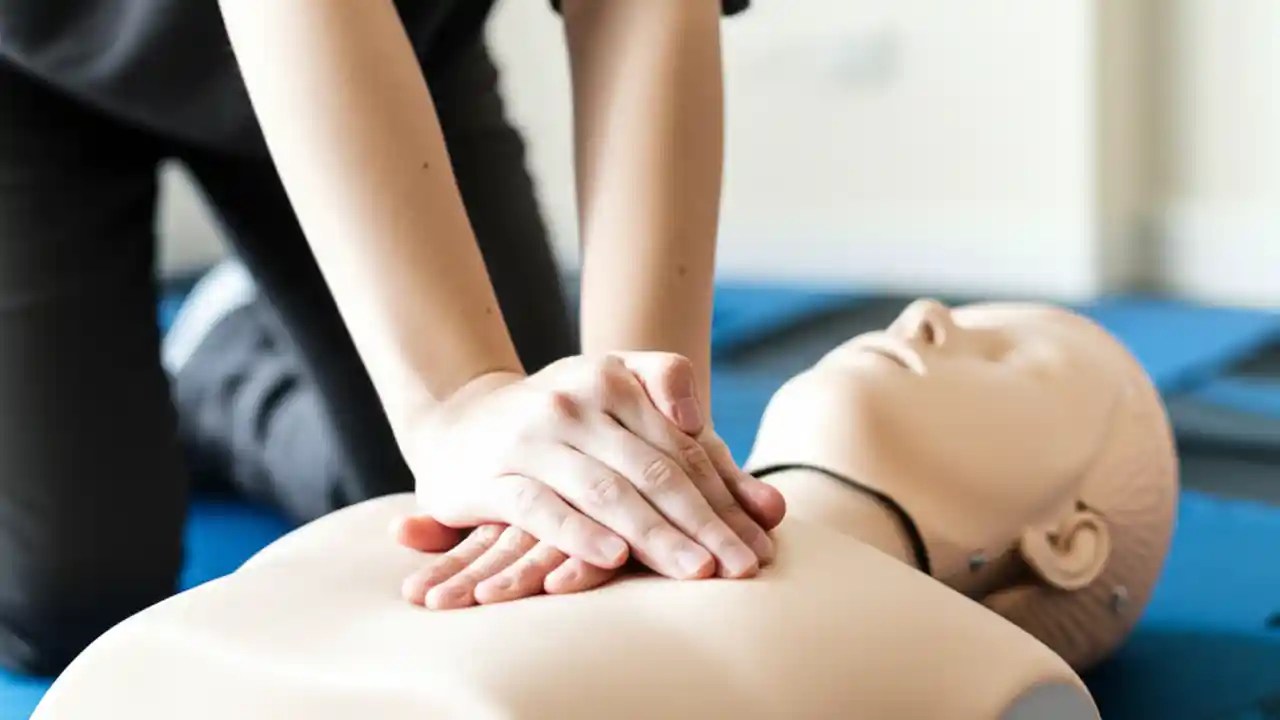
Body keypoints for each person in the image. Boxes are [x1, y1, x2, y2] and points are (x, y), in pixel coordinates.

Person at [0, 0, 783, 676]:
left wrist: (640, 425)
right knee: (68, 599)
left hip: (387, 53)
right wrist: (456, 402)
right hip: (36, 63)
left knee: (460, 513)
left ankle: (223, 352)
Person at [30, 299, 1175, 719]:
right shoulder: (487, 488)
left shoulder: (983, 679)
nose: (924, 313)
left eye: (1013, 356)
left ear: (1065, 541)